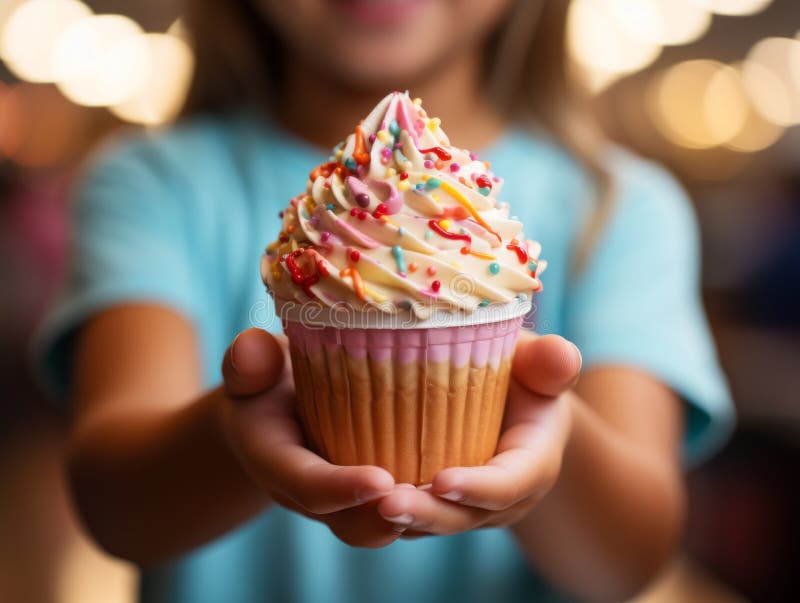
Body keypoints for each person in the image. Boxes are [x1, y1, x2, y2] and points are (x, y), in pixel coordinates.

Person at [36, 0, 734, 601]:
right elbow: (115, 507)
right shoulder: (150, 184)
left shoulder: (618, 208)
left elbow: (632, 557)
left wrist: (552, 432)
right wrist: (231, 433)